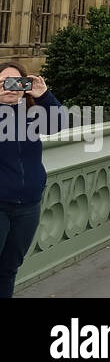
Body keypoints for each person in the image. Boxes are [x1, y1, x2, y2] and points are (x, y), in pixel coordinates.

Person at [0, 60, 67, 298]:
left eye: (14, 82)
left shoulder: (30, 114)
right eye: (2, 83)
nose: (8, 88)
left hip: (28, 206)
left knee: (9, 269)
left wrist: (44, 95)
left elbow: (59, 123)